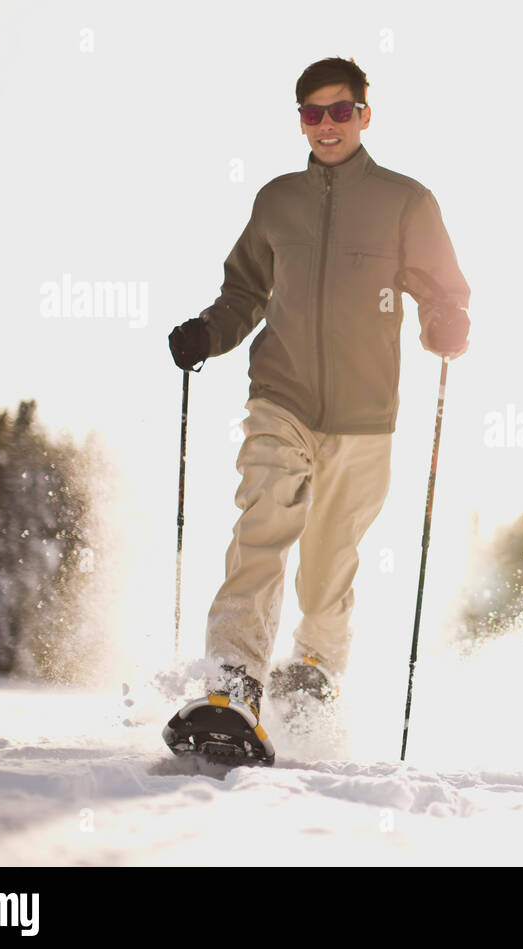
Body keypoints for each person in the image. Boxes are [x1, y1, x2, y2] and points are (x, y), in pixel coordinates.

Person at [164, 56, 471, 757]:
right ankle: (233, 686)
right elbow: (244, 292)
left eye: (339, 110)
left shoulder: (406, 200)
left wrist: (445, 325)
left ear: (365, 114)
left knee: (329, 570)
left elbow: (443, 291)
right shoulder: (277, 201)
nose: (326, 125)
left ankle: (310, 678)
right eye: (312, 113)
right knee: (261, 531)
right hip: (282, 397)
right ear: (299, 120)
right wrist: (209, 332)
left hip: (366, 420)